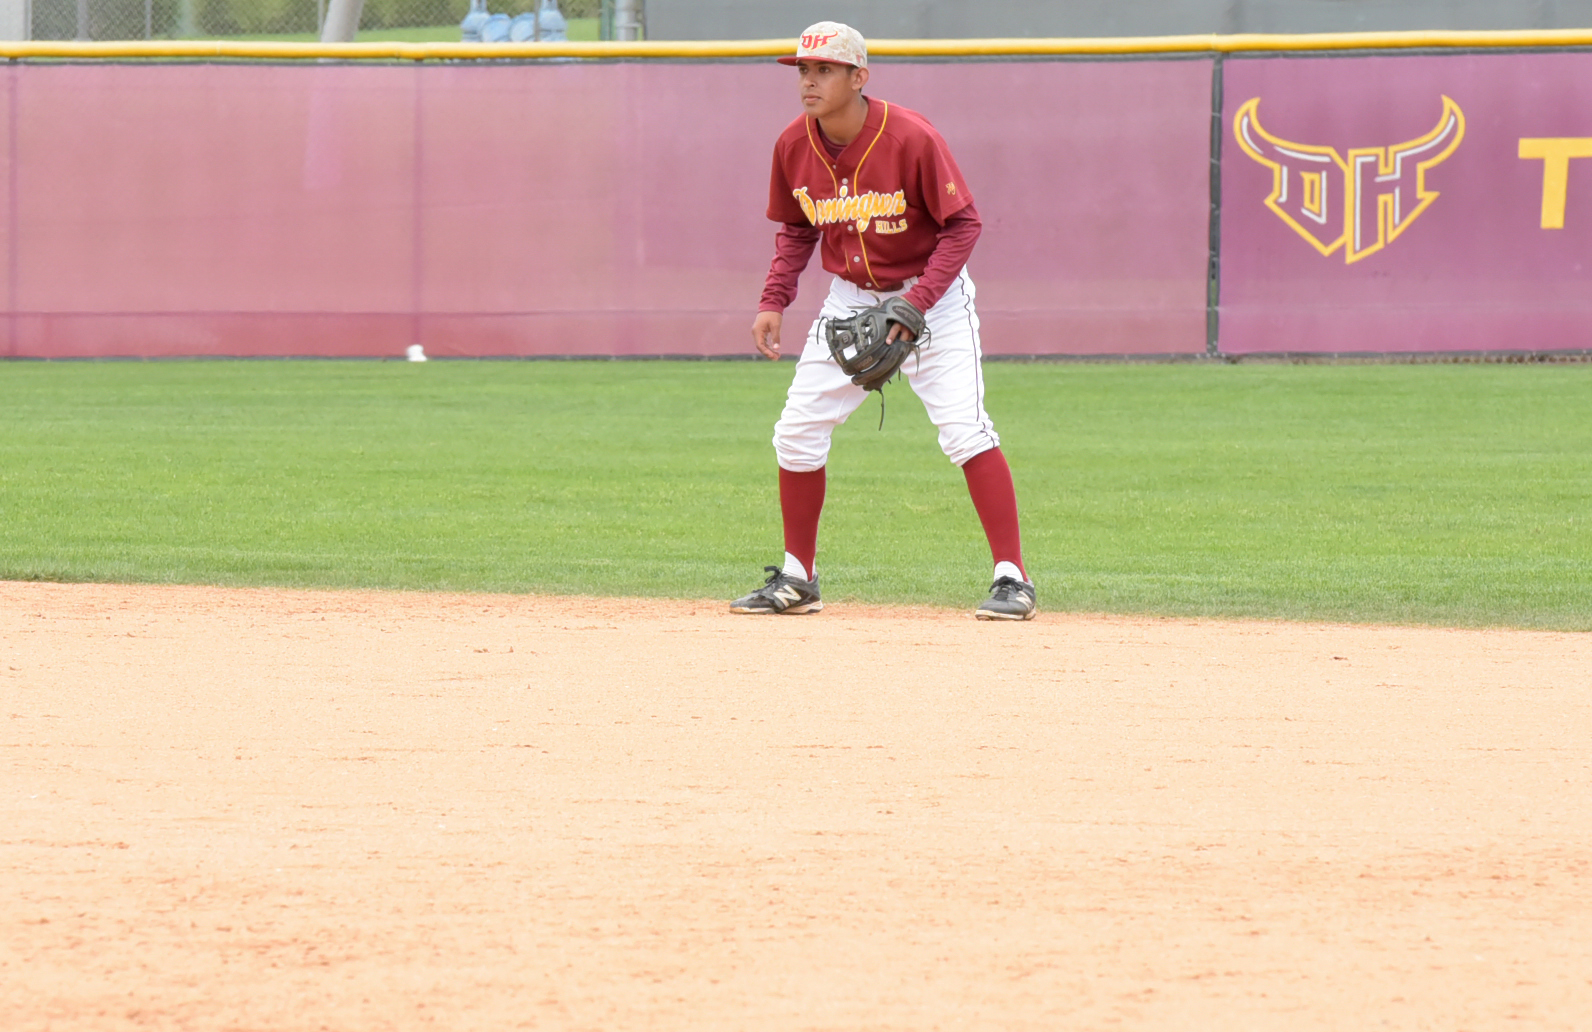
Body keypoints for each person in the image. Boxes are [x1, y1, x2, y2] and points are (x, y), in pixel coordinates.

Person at [730, 21, 1036, 621]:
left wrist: (918, 303)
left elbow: (964, 225)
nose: (809, 81)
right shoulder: (793, 144)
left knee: (966, 432)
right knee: (796, 433)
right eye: (803, 70)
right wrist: (773, 300)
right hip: (850, 300)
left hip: (932, 300)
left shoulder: (911, 137)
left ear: (858, 77)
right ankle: (798, 577)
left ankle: (1013, 578)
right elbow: (797, 228)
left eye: (824, 70)